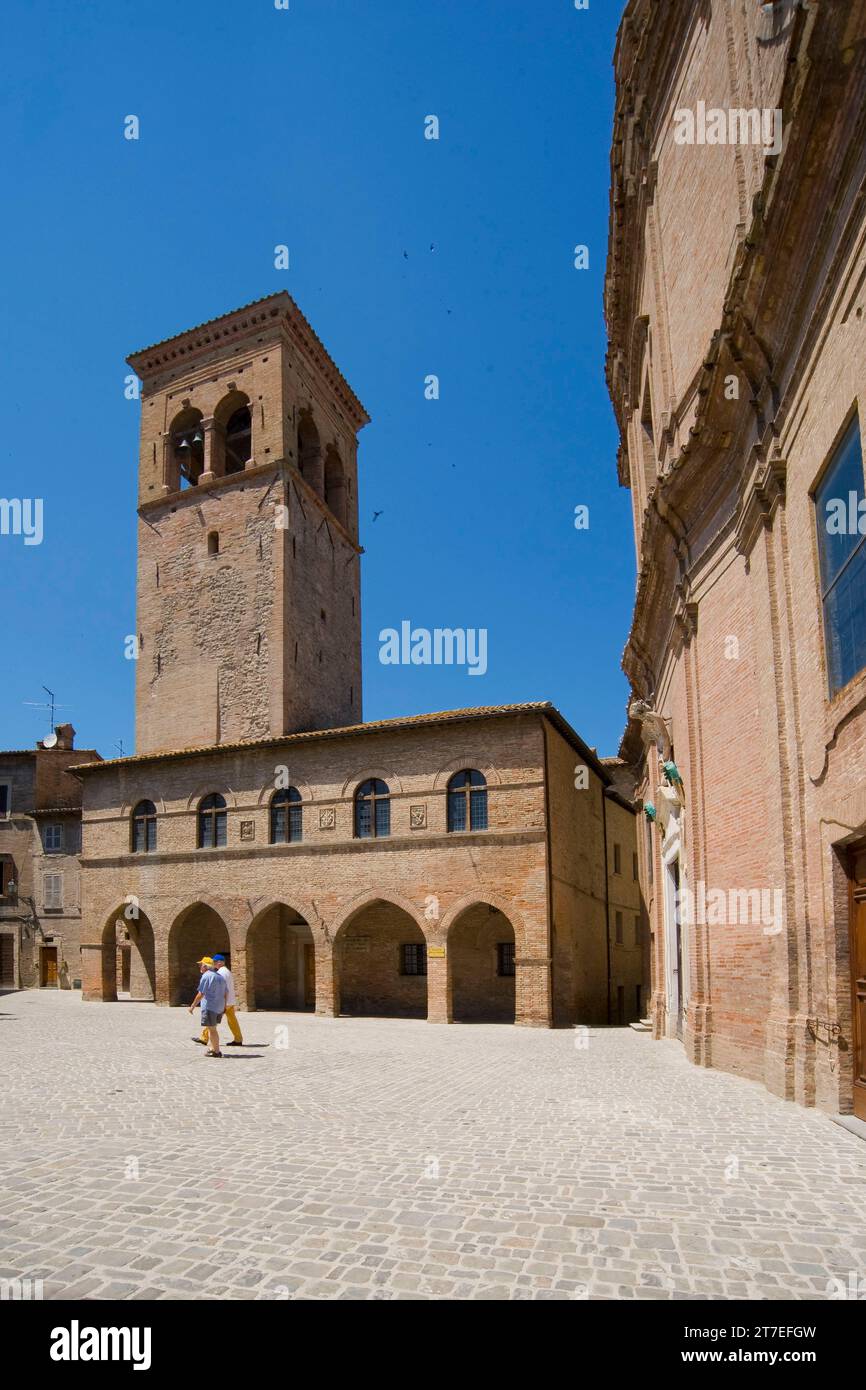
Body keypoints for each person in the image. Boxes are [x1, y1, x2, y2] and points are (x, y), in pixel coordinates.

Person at [198, 953, 243, 1047]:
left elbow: (220, 988)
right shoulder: (227, 971)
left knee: (211, 1019)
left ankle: (204, 1038)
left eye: (214, 962)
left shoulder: (220, 973)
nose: (213, 963)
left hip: (224, 1001)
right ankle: (238, 1039)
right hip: (230, 1000)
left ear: (219, 963)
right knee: (232, 1021)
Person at [189, 956, 226, 1057]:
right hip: (219, 1007)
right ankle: (213, 1048)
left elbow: (201, 993)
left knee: (212, 1029)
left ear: (205, 966)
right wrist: (224, 1007)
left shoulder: (206, 976)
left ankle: (216, 1052)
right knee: (212, 1029)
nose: (200, 967)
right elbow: (225, 994)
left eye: (201, 965)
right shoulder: (220, 977)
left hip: (210, 1007)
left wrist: (193, 1006)